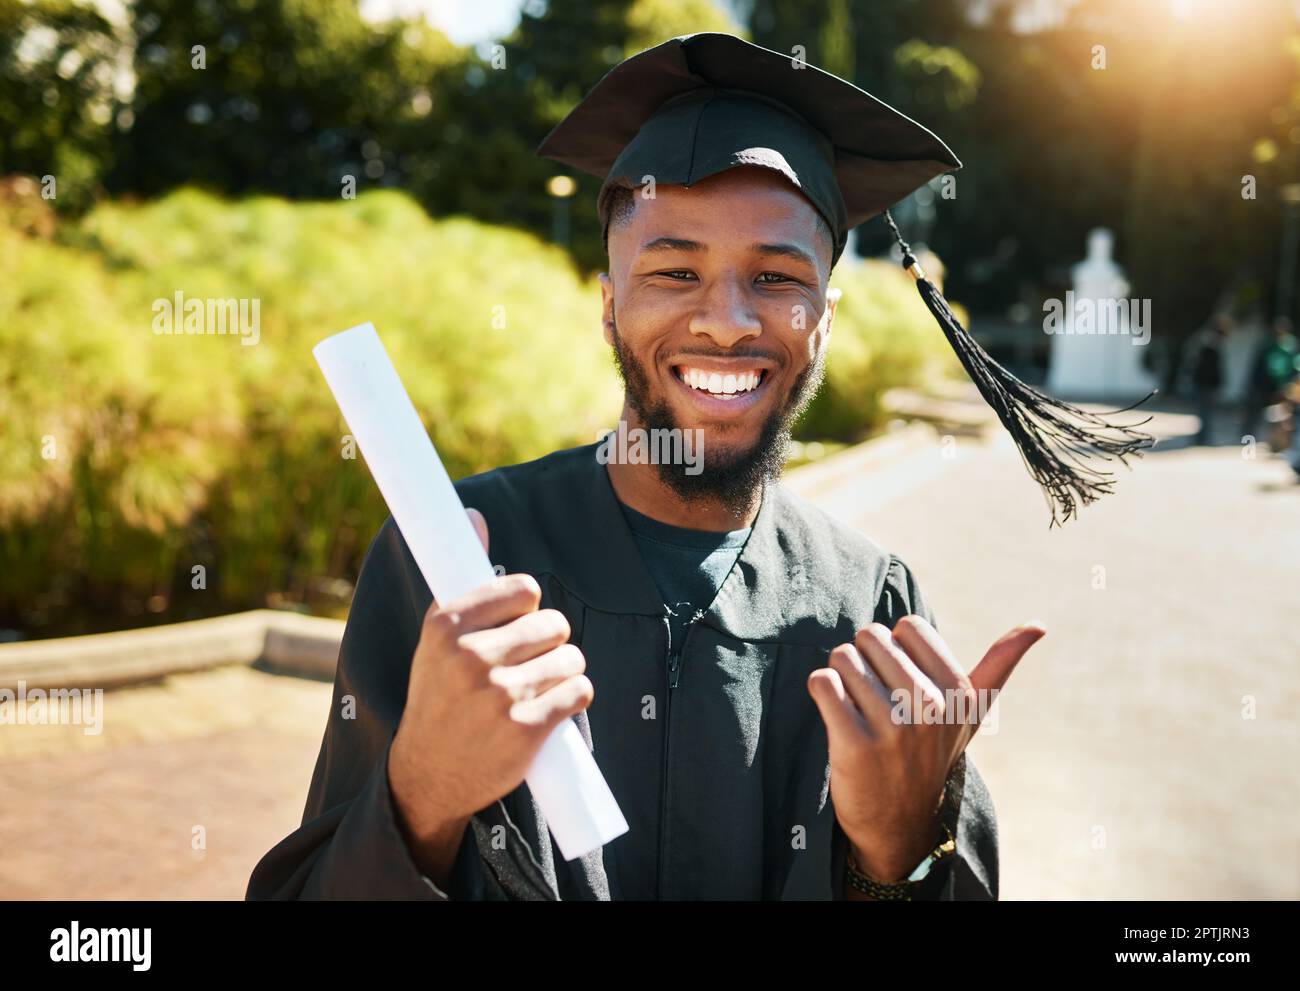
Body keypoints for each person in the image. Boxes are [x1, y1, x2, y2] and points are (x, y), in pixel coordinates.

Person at [246, 33, 1108, 902]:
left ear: (826, 319)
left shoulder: (868, 609)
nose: (727, 321)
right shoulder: (456, 570)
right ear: (610, 306)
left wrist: (901, 850)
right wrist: (420, 794)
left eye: (776, 277)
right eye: (673, 270)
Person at [1191, 314, 1229, 445]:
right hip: (1205, 384)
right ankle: (1202, 438)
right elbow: (1209, 368)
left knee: (1205, 412)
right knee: (1205, 412)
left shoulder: (1208, 345)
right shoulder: (1210, 346)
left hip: (1206, 384)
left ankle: (1203, 438)